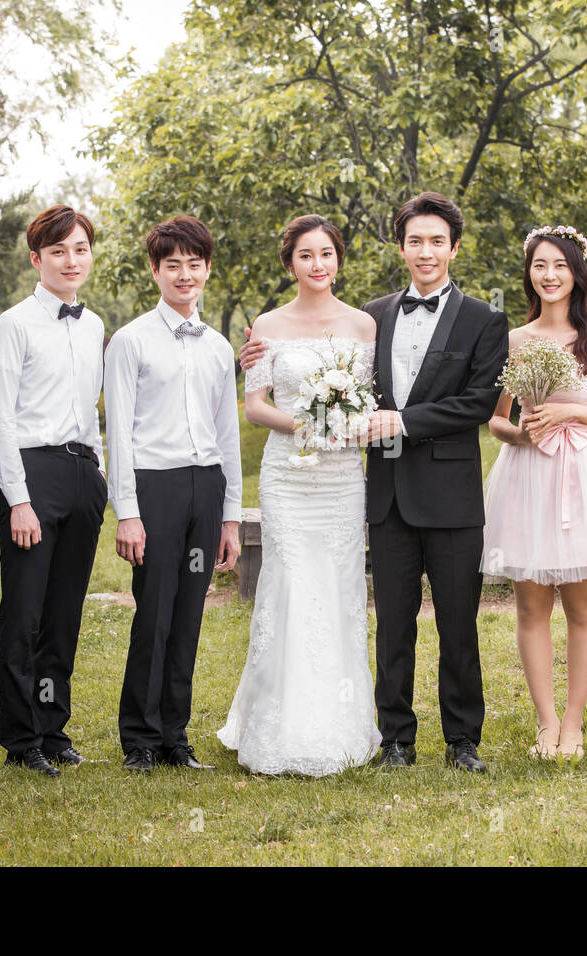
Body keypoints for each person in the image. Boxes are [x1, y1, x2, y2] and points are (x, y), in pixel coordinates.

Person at [242, 191, 508, 772]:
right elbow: (332, 382)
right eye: (416, 241)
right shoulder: (371, 316)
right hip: (384, 493)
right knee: (391, 623)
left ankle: (463, 742)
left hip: (452, 496)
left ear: (454, 248)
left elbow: (479, 402)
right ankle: (396, 740)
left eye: (438, 241)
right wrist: (259, 359)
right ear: (401, 247)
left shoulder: (485, 319)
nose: (426, 251)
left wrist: (406, 422)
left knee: (459, 623)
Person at [217, 214, 381, 775]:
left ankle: (340, 720)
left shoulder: (364, 325)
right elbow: (257, 405)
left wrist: (345, 425)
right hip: (288, 475)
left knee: (337, 586)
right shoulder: (267, 324)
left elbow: (369, 403)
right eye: (306, 255)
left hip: (340, 479)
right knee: (288, 583)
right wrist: (308, 424)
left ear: (339, 259)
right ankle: (274, 724)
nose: (318, 264)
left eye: (327, 254)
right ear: (290, 264)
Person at [481, 226, 587, 761]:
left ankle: (574, 723)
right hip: (527, 474)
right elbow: (496, 420)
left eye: (560, 266)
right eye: (539, 266)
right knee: (530, 604)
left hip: (584, 474)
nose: (549, 276)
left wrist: (571, 411)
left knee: (583, 603)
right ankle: (545, 723)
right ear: (529, 273)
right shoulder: (515, 341)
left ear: (577, 273)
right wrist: (522, 433)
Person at [105, 215, 242, 773]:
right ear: (156, 271)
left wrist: (230, 517)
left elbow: (228, 433)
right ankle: (139, 738)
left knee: (190, 615)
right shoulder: (130, 340)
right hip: (154, 487)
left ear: (207, 268)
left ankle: (174, 736)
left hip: (204, 486)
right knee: (154, 614)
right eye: (172, 265)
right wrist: (127, 513)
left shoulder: (218, 347)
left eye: (194, 264)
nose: (184, 274)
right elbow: (117, 432)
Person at [0, 205, 107, 777]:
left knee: (64, 613)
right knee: (25, 612)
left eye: (80, 248)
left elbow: (90, 410)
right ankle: (20, 738)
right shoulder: (13, 324)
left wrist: (100, 473)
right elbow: (1, 420)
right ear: (37, 259)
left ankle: (52, 723)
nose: (71, 259)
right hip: (31, 473)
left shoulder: (95, 325)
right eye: (58, 250)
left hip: (82, 474)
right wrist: (19, 499)